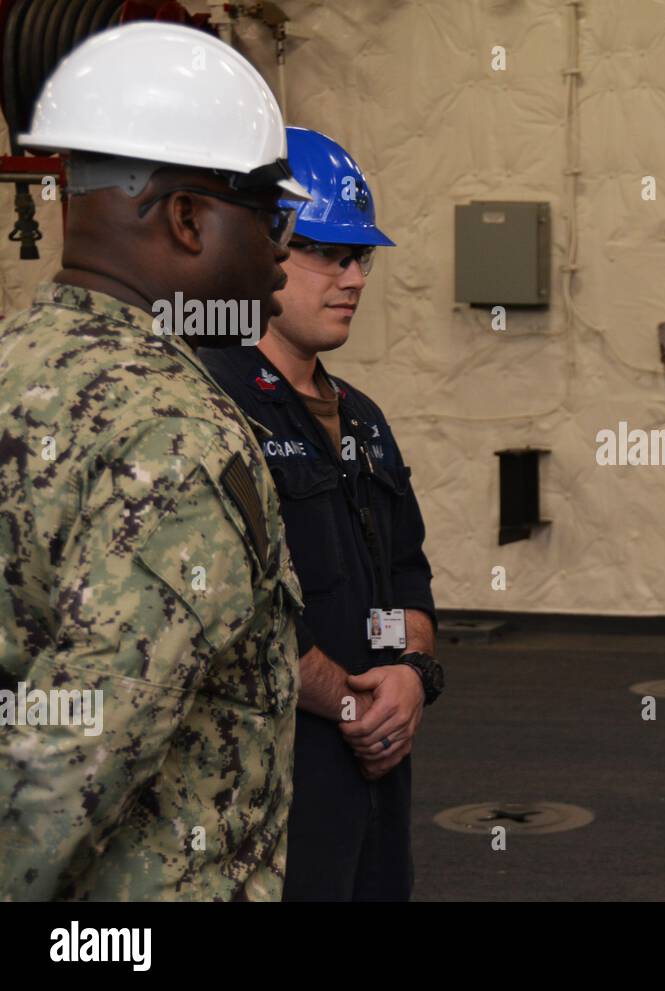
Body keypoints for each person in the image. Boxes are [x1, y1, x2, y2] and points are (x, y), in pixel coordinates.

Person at [0, 23, 310, 900]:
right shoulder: (176, 433)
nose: (282, 249)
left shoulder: (14, 365)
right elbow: (70, 762)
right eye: (268, 215)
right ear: (185, 217)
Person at [200, 127, 441, 902]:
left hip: (376, 767)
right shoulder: (214, 406)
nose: (353, 277)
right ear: (263, 246)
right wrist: (350, 702)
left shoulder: (362, 416)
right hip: (268, 781)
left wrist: (410, 674)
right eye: (327, 252)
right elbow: (234, 611)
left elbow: (407, 568)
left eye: (360, 256)